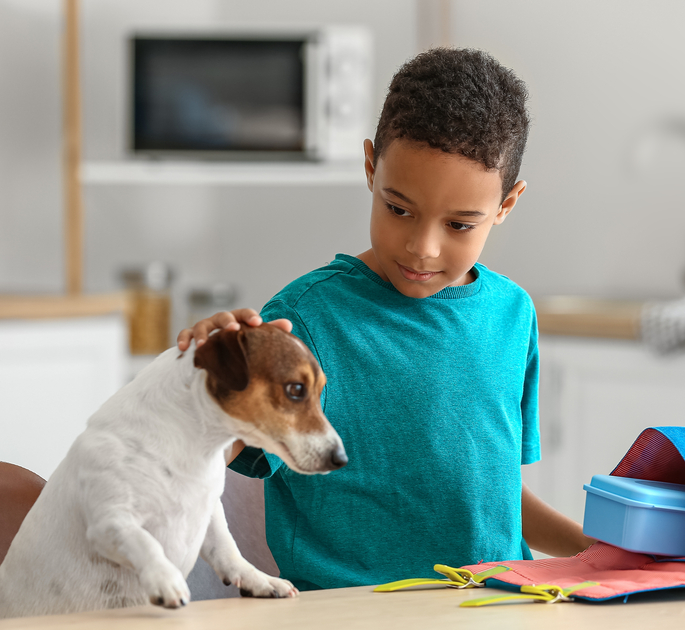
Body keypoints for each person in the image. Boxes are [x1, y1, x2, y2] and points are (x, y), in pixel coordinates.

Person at [177, 48, 593, 591]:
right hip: (350, 612)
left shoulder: (513, 315)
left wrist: (598, 552)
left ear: (507, 203)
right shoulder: (302, 320)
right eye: (398, 209)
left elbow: (490, 493)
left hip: (498, 603)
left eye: (460, 225)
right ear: (371, 166)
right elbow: (199, 461)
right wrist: (204, 378)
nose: (422, 248)